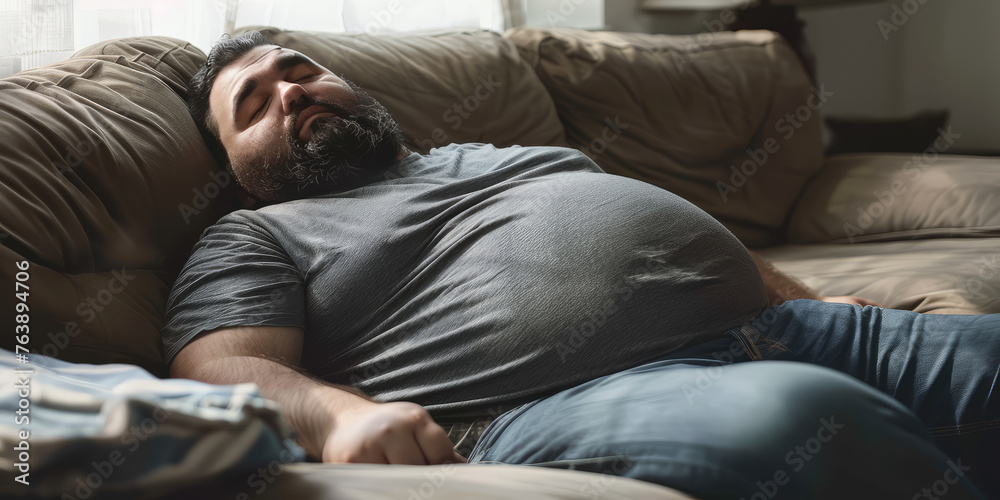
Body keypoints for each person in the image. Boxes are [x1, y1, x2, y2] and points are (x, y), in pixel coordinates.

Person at [163, 31, 998, 498]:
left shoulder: (493, 153)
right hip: (556, 401)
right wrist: (334, 417)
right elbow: (223, 366)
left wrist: (809, 295)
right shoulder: (256, 236)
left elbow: (670, 228)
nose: (292, 92)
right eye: (255, 103)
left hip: (786, 328)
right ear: (235, 165)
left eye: (301, 72)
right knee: (802, 421)